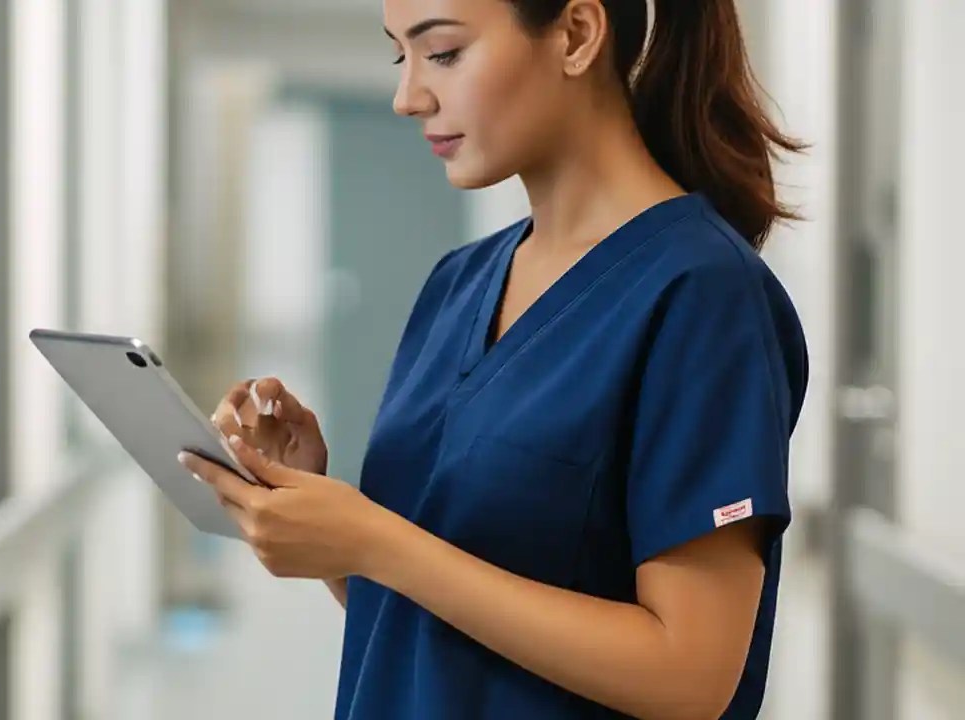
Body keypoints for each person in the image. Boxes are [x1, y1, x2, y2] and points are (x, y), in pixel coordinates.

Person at [178, 0, 808, 717]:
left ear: (575, 35)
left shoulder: (701, 296)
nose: (407, 96)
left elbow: (690, 675)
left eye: (442, 53)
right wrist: (323, 515)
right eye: (400, 57)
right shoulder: (458, 284)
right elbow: (429, 620)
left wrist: (377, 541)